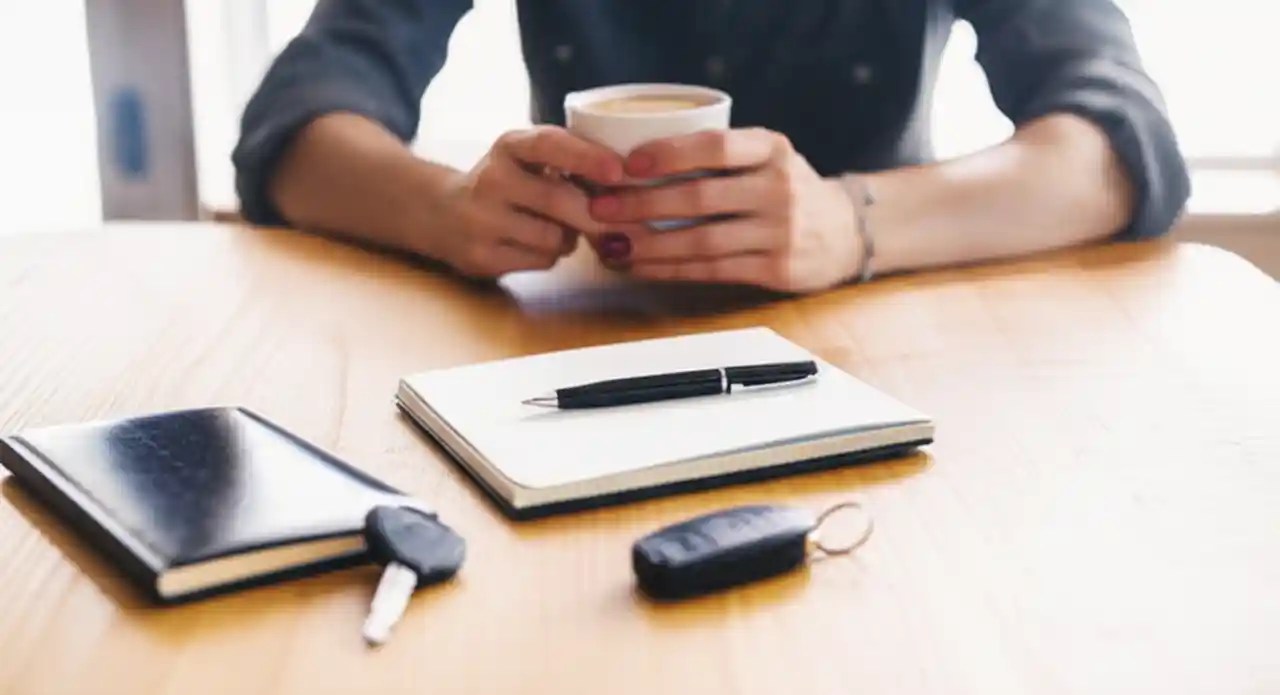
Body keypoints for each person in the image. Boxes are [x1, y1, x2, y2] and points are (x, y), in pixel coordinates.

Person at [233, 1, 1190, 294]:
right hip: (580, 337)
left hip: (892, 326)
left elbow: (1119, 142)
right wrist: (444, 208)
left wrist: (853, 223)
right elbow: (297, 123)